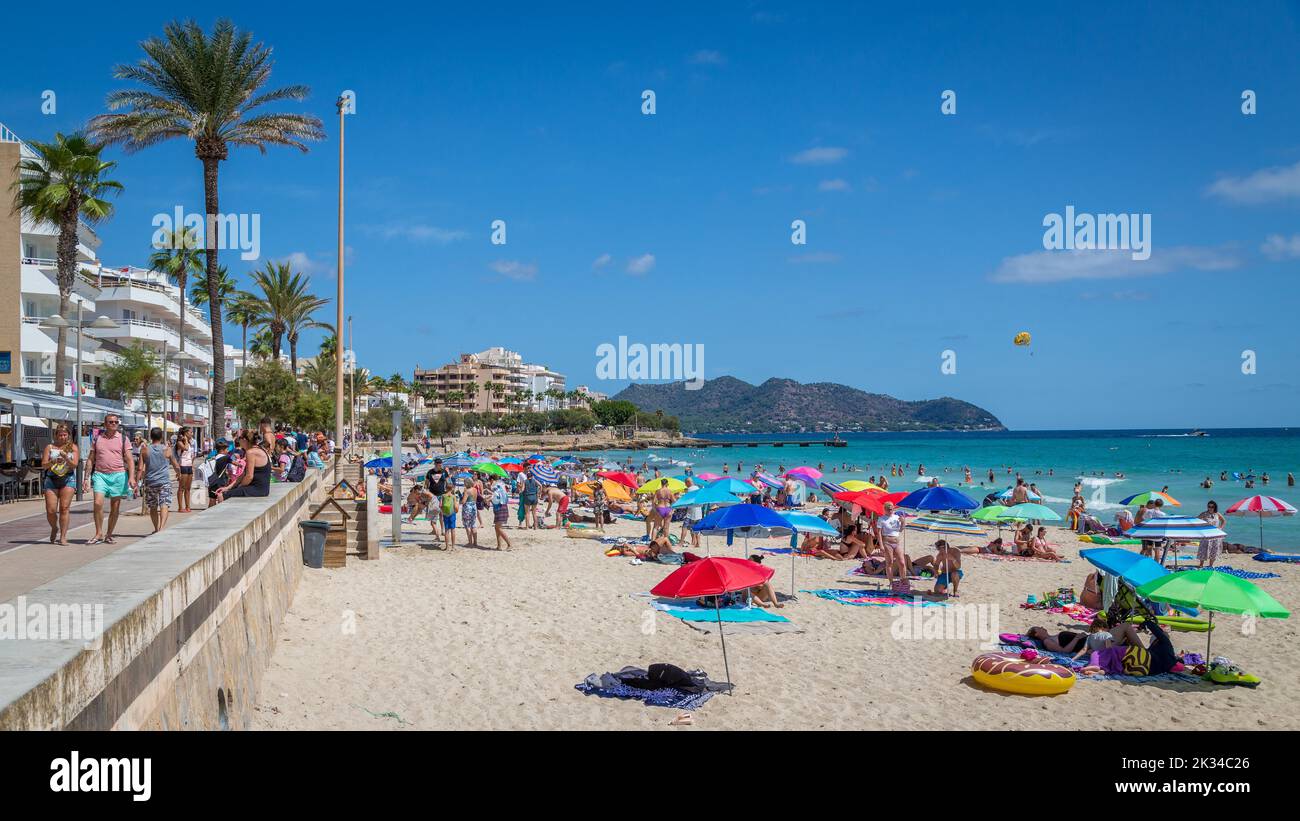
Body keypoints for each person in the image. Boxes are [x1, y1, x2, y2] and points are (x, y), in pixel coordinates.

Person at [87, 413, 135, 545]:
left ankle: (109, 534)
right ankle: (98, 533)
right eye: (110, 422)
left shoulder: (123, 438)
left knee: (115, 507)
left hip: (118, 475)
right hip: (100, 474)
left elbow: (130, 460)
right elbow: (91, 459)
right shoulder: (97, 439)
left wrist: (131, 477)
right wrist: (86, 478)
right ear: (105, 424)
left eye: (115, 422)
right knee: (97, 503)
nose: (113, 424)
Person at [41, 423, 79, 545]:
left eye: (65, 435)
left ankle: (63, 536)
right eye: (60, 435)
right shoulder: (50, 447)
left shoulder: (73, 447)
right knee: (51, 510)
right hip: (51, 479)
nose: (62, 437)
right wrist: (53, 461)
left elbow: (74, 465)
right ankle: (54, 527)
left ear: (68, 435)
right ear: (56, 435)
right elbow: (44, 465)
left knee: (64, 508)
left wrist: (66, 458)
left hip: (68, 478)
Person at [139, 426, 181, 533]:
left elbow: (140, 468)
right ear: (161, 437)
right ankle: (162, 528)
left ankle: (156, 528)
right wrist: (179, 474)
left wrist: (137, 480)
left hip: (150, 482)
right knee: (164, 504)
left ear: (150, 437)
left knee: (153, 506)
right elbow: (176, 465)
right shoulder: (167, 450)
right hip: (164, 482)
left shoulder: (144, 450)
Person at [217, 430, 271, 500]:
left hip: (257, 490)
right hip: (261, 489)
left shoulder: (251, 452)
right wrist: (228, 487)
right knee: (226, 492)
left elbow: (249, 476)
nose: (239, 441)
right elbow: (243, 474)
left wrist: (239, 487)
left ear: (244, 440)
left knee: (221, 496)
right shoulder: (260, 449)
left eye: (240, 438)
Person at [875, 501, 910, 594]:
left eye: (891, 508)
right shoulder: (881, 519)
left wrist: (903, 522)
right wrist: (881, 545)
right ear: (885, 509)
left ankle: (903, 581)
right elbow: (878, 532)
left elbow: (901, 530)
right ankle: (891, 582)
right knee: (889, 562)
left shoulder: (897, 517)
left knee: (902, 563)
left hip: (896, 542)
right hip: (887, 542)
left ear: (894, 509)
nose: (890, 510)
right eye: (888, 509)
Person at [1197, 501, 1225, 568]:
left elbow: (1223, 521)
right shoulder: (1204, 514)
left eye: (1212, 507)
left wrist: (1220, 528)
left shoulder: (1217, 514)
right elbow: (1196, 519)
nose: (1210, 508)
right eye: (1209, 506)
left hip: (1215, 535)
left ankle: (1210, 565)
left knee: (1214, 549)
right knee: (1203, 549)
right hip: (1206, 535)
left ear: (1215, 507)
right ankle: (1201, 564)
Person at [173, 427, 194, 514]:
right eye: (190, 432)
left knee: (188, 488)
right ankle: (180, 507)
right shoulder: (180, 442)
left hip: (189, 466)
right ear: (185, 433)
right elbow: (185, 448)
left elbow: (191, 454)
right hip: (183, 466)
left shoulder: (189, 442)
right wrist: (185, 440)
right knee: (181, 488)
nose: (192, 434)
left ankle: (188, 506)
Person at [491, 477, 512, 550]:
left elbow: (495, 498)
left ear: (492, 480)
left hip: (499, 507)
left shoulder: (495, 486)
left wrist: (488, 499)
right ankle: (499, 545)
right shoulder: (501, 484)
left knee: (498, 528)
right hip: (503, 506)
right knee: (497, 527)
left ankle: (509, 544)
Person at [461, 479, 479, 547]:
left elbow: (463, 501)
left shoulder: (467, 491)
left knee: (467, 525)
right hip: (474, 507)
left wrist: (459, 501)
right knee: (473, 525)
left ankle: (470, 542)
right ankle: (475, 542)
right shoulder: (475, 489)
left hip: (467, 508)